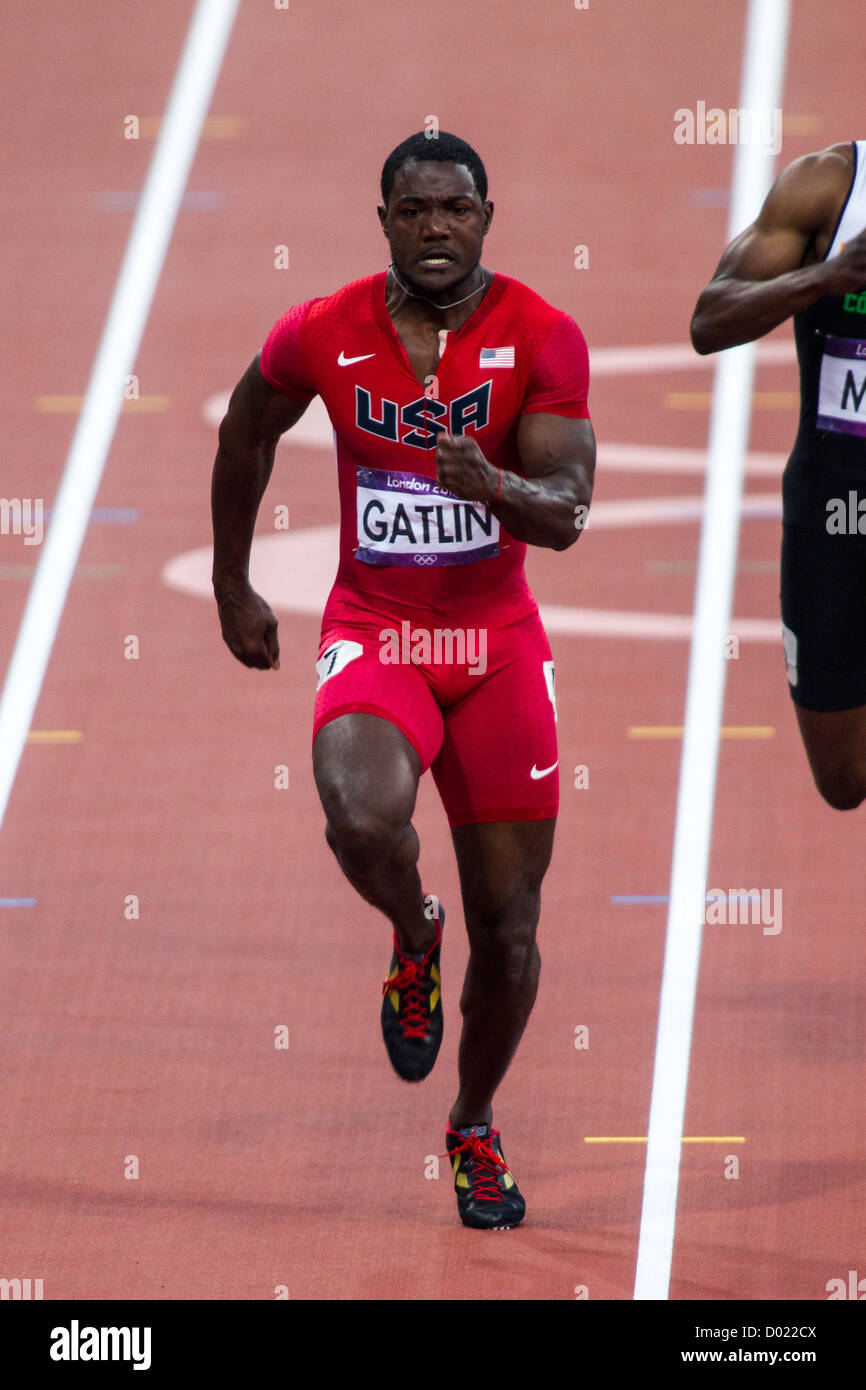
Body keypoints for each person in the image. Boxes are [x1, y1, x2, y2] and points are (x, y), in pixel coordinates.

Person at [211, 131, 595, 1228]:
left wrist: (493, 486)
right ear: (381, 219)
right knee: (360, 819)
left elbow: (566, 512)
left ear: (486, 216)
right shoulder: (323, 330)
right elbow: (247, 430)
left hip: (492, 647)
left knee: (512, 932)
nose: (437, 228)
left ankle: (472, 1124)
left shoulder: (540, 335)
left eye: (456, 210)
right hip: (377, 629)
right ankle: (414, 934)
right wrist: (235, 584)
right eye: (414, 210)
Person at [691, 141, 866, 811]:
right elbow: (709, 320)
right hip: (832, 510)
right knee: (843, 780)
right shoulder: (828, 187)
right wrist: (824, 279)